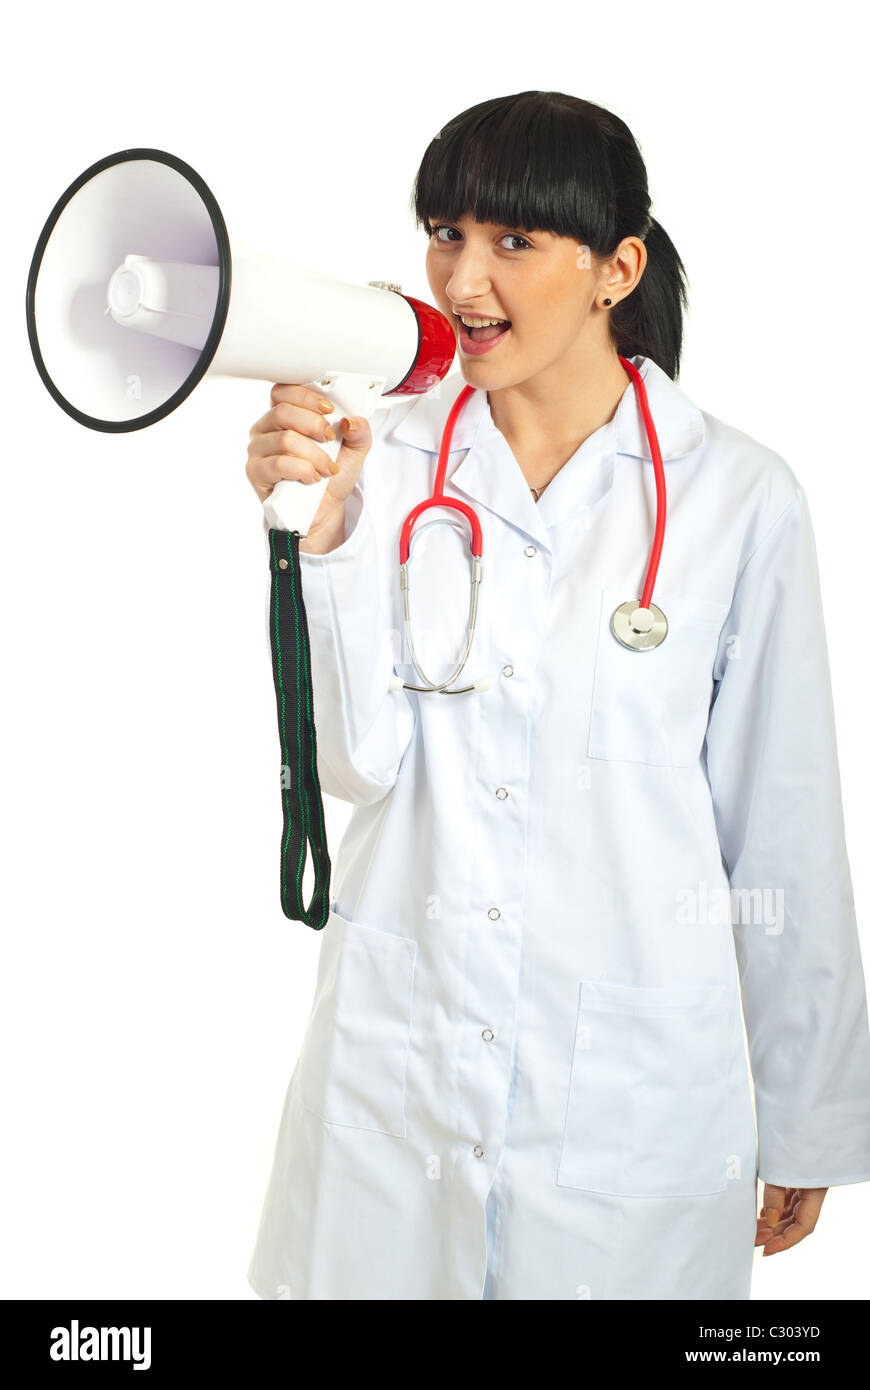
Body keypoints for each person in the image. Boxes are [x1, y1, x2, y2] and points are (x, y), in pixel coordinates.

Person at [243, 91, 870, 1300]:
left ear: (614, 267)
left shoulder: (738, 498)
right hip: (397, 1080)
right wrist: (318, 544)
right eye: (444, 233)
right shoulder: (386, 457)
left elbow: (777, 820)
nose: (462, 279)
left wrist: (810, 1108)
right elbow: (356, 764)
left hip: (630, 1100)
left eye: (512, 242)